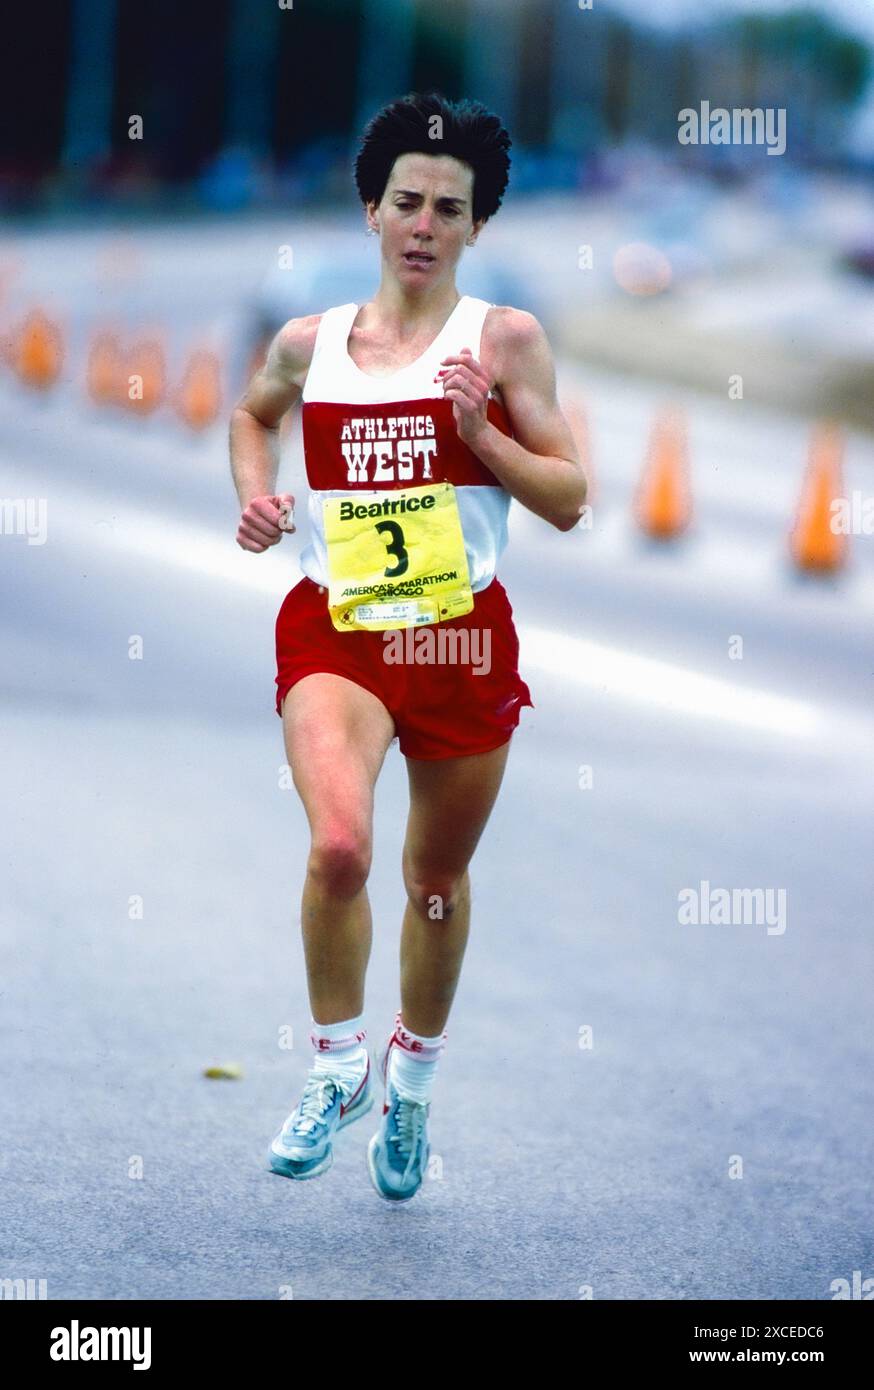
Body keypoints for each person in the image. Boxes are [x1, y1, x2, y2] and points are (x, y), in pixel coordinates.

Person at [229, 91, 587, 1203]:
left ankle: (412, 1084)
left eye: (449, 207)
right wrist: (257, 498)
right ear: (372, 211)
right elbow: (252, 414)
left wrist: (482, 432)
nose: (425, 223)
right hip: (337, 629)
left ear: (477, 227)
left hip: (459, 642)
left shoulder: (505, 341)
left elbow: (571, 497)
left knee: (433, 879)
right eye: (406, 202)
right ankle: (336, 1067)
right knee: (340, 846)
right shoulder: (310, 342)